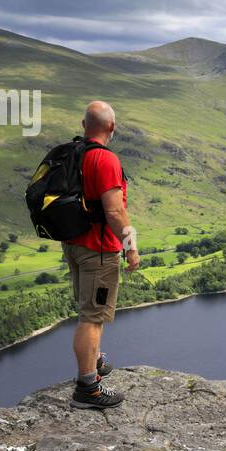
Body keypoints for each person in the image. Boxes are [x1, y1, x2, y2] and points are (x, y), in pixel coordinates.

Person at [64, 101, 139, 408]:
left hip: (74, 243)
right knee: (93, 317)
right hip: (99, 250)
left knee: (89, 310)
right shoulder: (105, 160)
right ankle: (88, 388)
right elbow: (113, 209)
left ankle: (94, 361)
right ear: (111, 128)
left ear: (84, 125)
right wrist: (131, 245)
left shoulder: (73, 155)